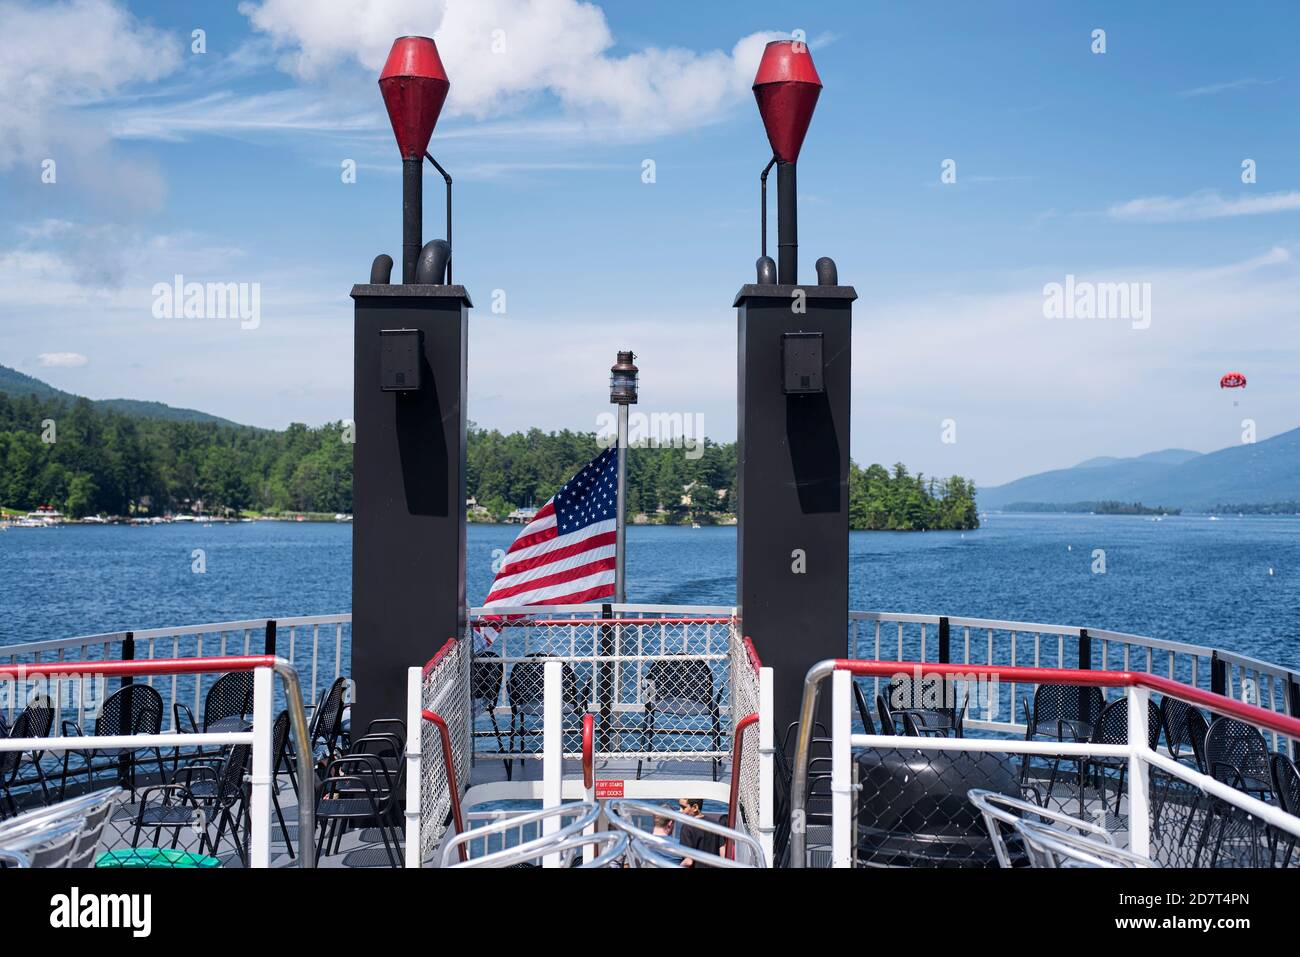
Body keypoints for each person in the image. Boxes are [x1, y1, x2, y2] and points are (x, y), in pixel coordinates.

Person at [676, 797, 723, 867]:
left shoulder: (687, 827)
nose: (680, 811)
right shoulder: (715, 824)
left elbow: (688, 861)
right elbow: (723, 852)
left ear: (695, 807)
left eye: (683, 807)